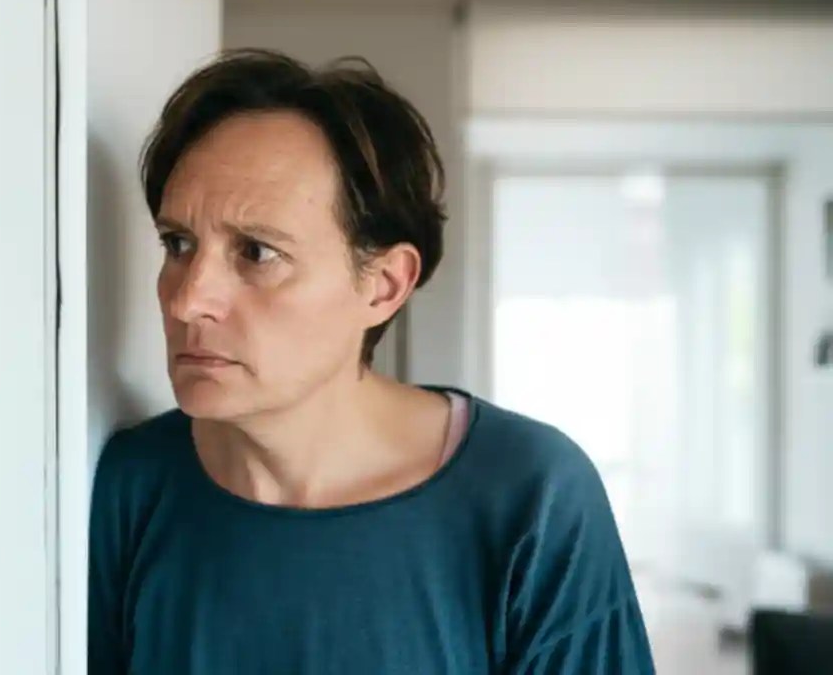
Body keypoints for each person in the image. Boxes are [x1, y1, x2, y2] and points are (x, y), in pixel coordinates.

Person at [88, 49, 655, 674]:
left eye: (257, 252)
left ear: (384, 285)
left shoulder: (531, 495)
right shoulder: (131, 485)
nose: (187, 298)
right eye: (178, 243)